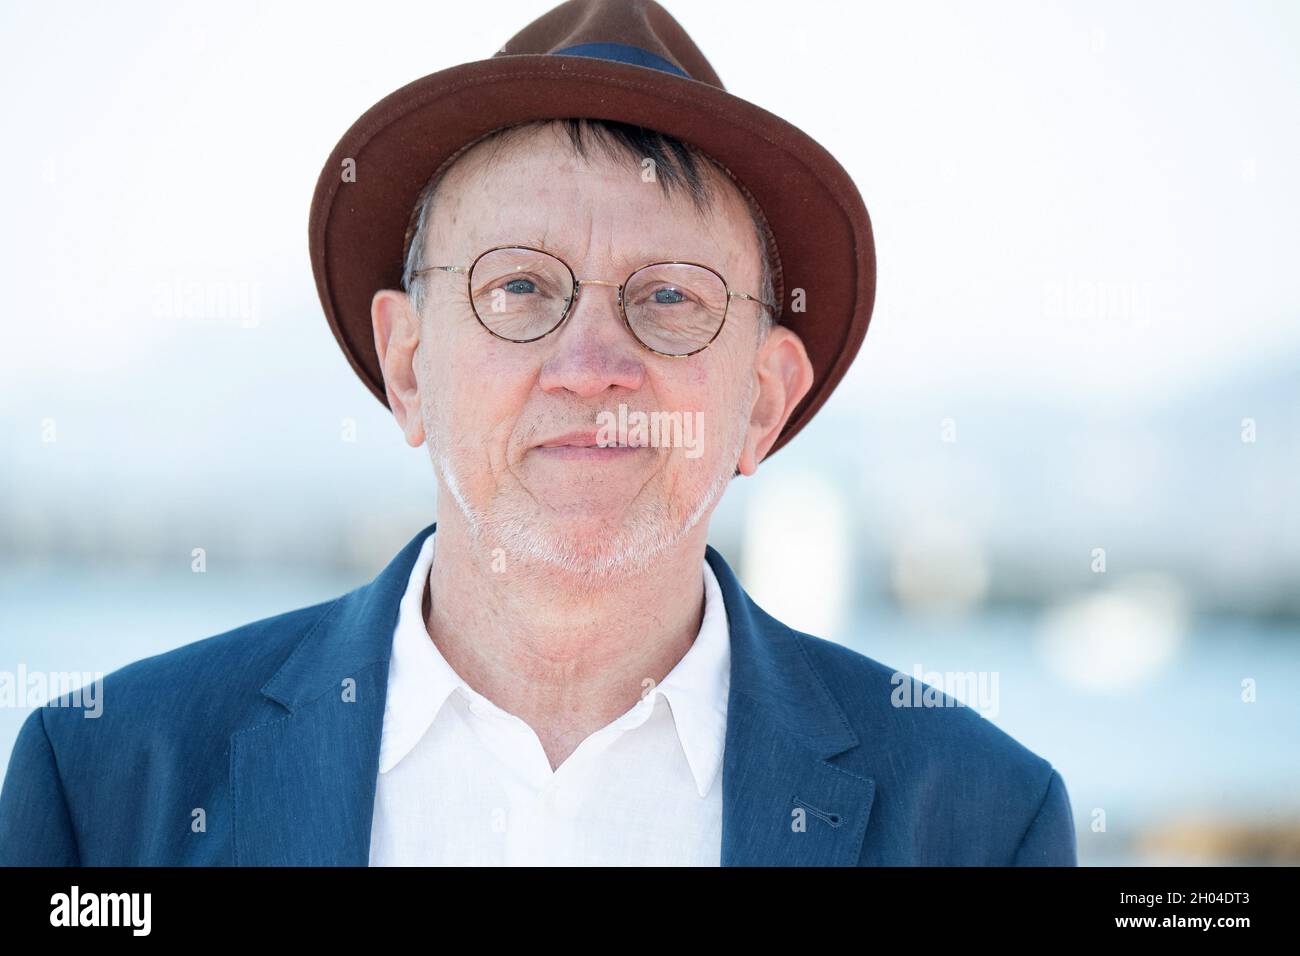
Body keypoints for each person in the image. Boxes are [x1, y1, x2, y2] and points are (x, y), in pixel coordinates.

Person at [0, 0, 1076, 866]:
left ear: (761, 398)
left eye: (667, 297)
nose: (591, 365)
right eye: (518, 285)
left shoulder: (979, 821)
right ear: (408, 363)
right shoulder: (106, 781)